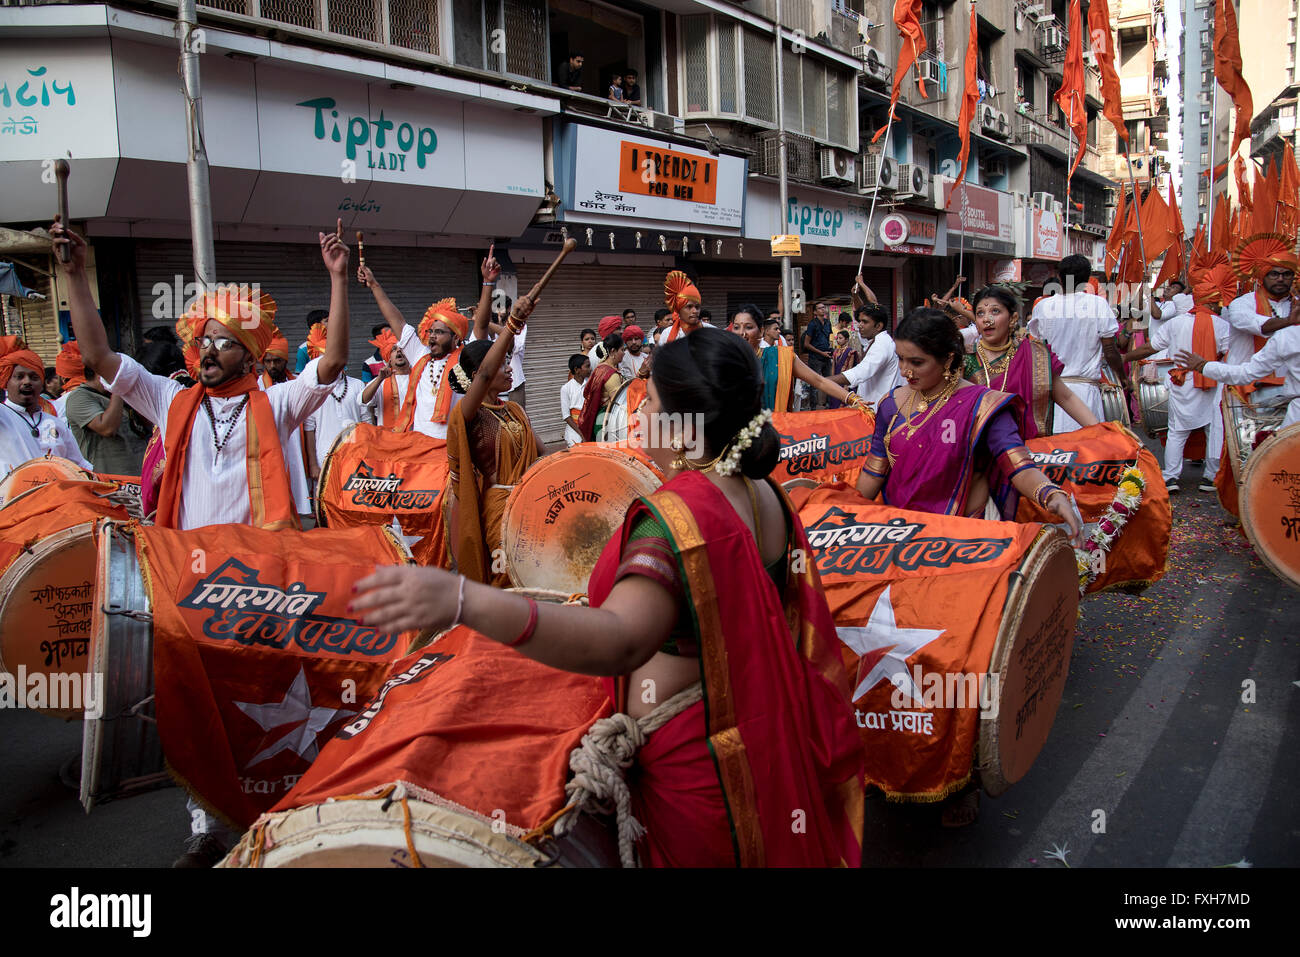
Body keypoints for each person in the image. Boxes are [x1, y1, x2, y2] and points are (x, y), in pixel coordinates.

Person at [349, 327, 865, 867]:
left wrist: (463, 600)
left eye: (653, 404)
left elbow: (620, 639)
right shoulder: (765, 492)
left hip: (695, 763)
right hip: (760, 739)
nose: (641, 418)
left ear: (685, 421)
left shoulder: (679, 516)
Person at [53, 218, 351, 869]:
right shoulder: (170, 400)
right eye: (204, 340)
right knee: (197, 709)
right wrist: (75, 276)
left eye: (224, 342)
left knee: (262, 704)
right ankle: (205, 828)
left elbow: (330, 362)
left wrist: (336, 278)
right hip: (187, 581)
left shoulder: (274, 404)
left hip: (259, 584)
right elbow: (103, 361)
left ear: (250, 352)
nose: (209, 350)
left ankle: (271, 812)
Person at [856, 308, 1084, 537]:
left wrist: (1050, 494)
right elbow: (873, 472)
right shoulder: (890, 405)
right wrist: (847, 514)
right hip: (900, 533)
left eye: (916, 362)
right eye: (901, 359)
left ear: (948, 358)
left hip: (964, 538)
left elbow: (1018, 465)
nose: (905, 371)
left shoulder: (982, 406)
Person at [442, 294, 545, 586]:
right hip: (500, 509)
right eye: (503, 364)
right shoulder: (468, 415)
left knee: (536, 575)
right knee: (507, 578)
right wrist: (512, 324)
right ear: (479, 377)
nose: (509, 369)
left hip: (532, 502)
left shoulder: (514, 409)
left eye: (508, 363)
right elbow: (486, 372)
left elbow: (542, 453)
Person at [360, 260, 486, 439]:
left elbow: (480, 328)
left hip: (453, 446)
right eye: (431, 331)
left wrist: (487, 284)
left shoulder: (465, 359)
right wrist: (374, 285)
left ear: (456, 337)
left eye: (439, 332)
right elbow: (397, 322)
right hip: (420, 444)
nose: (432, 336)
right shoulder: (421, 355)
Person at [1138, 265, 1232, 494]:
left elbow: (1152, 347)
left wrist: (1129, 357)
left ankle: (1170, 477)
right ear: (1213, 302)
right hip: (1213, 381)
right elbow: (1230, 354)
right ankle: (1209, 477)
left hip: (1181, 381)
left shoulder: (1176, 322)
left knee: (1177, 430)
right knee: (1213, 429)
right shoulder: (1222, 325)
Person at [1177, 267, 1300, 434]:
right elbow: (1258, 326)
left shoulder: (1288, 335)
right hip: (1243, 393)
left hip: (1287, 404)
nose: (1280, 279)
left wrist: (1204, 366)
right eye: (1274, 274)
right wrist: (1289, 321)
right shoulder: (1242, 304)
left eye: (1286, 274)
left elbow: (1247, 372)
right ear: (1262, 277)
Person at [964, 286, 1097, 440]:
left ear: (1013, 319)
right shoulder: (965, 359)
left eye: (995, 311)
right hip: (976, 451)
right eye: (980, 313)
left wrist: (1102, 431)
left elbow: (1066, 397)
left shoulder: (1035, 355)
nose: (987, 319)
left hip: (1028, 452)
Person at [1029, 254, 1128, 431]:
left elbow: (1036, 348)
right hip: (1085, 395)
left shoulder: (1043, 306)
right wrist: (1122, 376)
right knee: (1089, 453)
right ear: (1087, 279)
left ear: (1059, 277)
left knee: (1056, 453)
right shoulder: (1098, 304)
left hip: (1053, 392)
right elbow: (1110, 350)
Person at [729, 306, 861, 413]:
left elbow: (818, 381)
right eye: (736, 327)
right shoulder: (723, 359)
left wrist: (852, 399)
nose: (742, 333)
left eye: (748, 327)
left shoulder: (780, 357)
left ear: (761, 331)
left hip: (774, 430)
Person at [0, 336, 91, 475]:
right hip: (12, 495)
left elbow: (79, 467)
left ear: (41, 384)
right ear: (6, 382)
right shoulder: (3, 416)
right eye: (19, 377)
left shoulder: (55, 423)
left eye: (34, 377)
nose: (27, 382)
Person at [303, 321, 372, 488]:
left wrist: (369, 454)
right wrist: (313, 464)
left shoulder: (357, 385)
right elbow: (309, 429)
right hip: (324, 457)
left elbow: (368, 423)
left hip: (357, 456)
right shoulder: (312, 390)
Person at [259, 333, 314, 519]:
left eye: (277, 361)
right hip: (268, 446)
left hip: (295, 446)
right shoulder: (256, 385)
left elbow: (308, 421)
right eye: (267, 361)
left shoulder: (297, 383)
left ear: (285, 360)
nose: (272, 366)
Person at [64, 361, 148, 474]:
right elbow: (107, 428)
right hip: (112, 480)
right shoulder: (79, 397)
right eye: (118, 373)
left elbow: (148, 425)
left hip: (140, 474)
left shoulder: (117, 395)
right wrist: (118, 387)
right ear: (100, 373)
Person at [469, 247, 527, 409]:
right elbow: (481, 328)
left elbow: (510, 341)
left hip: (514, 385)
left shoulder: (518, 326)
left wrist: (491, 322)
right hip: (489, 390)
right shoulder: (481, 335)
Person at [831, 304, 901, 408]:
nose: (859, 325)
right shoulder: (872, 340)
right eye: (859, 321)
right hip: (873, 405)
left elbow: (859, 373)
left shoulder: (882, 345)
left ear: (878, 326)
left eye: (865, 322)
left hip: (878, 408)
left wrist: (821, 381)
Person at [360, 328, 412, 429]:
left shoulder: (421, 377)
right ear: (388, 358)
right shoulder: (381, 381)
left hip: (417, 437)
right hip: (390, 438)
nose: (399, 351)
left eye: (401, 348)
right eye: (393, 349)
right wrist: (379, 379)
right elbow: (364, 400)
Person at [578, 333, 625, 441]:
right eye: (622, 350)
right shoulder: (611, 374)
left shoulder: (600, 367)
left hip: (599, 418)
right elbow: (619, 404)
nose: (624, 353)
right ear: (613, 351)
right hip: (608, 422)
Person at [658, 271, 709, 345]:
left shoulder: (711, 331)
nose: (695, 311)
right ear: (679, 310)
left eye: (697, 307)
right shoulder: (667, 334)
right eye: (689, 307)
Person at [800, 301, 834, 409]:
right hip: (815, 358)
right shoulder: (812, 324)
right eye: (820, 308)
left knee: (829, 380)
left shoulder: (828, 323)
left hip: (827, 356)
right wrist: (821, 353)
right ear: (815, 312)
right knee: (814, 383)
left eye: (824, 307)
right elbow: (806, 344)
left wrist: (829, 350)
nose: (823, 309)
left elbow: (829, 338)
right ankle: (813, 407)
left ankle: (829, 405)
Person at [826, 331, 860, 409]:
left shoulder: (850, 352)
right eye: (837, 338)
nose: (838, 340)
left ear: (846, 339)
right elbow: (833, 367)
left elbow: (850, 368)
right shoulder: (836, 352)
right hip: (837, 379)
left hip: (845, 380)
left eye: (840, 338)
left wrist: (846, 384)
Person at [561, 353, 589, 447]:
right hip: (574, 432)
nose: (590, 369)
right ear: (577, 370)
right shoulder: (566, 388)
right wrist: (581, 434)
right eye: (587, 366)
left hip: (588, 428)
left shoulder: (590, 385)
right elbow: (566, 416)